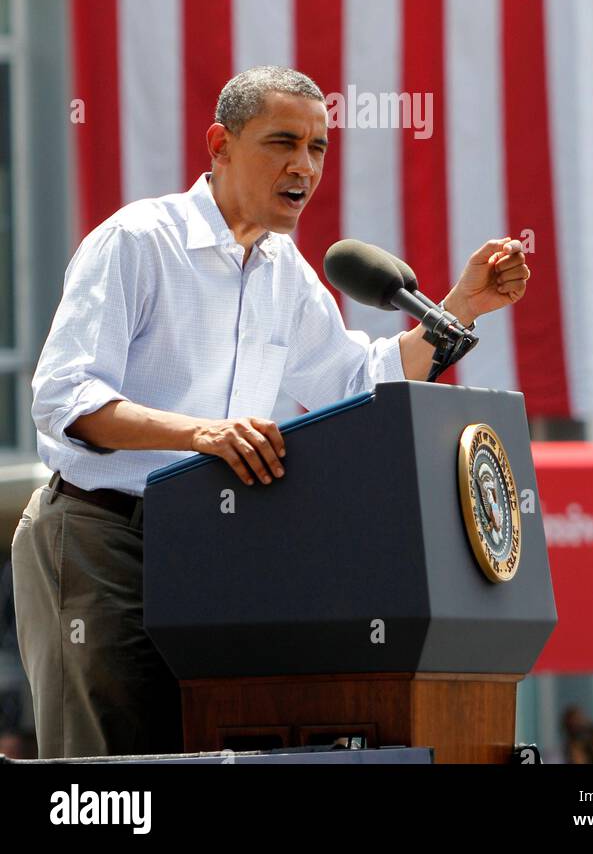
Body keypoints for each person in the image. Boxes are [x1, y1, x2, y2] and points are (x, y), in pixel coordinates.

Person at [11, 65, 531, 759]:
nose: (303, 166)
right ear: (219, 145)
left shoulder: (284, 271)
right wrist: (202, 435)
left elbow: (358, 382)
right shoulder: (138, 241)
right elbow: (64, 397)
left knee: (200, 752)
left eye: (317, 148)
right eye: (282, 141)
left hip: (219, 553)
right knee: (116, 779)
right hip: (104, 537)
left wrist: (459, 307)